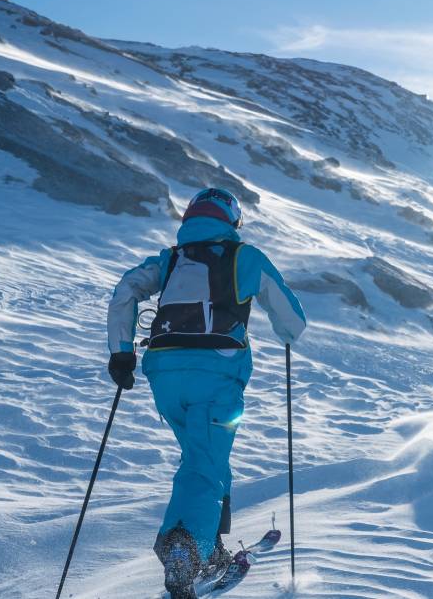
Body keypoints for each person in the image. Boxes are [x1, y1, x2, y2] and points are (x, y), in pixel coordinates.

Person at [105, 187, 306, 597]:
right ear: (232, 221)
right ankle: (184, 551)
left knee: (204, 457)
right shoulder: (243, 257)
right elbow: (293, 321)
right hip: (215, 372)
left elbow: (127, 288)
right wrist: (284, 331)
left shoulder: (171, 260)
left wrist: (121, 352)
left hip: (163, 374)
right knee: (205, 463)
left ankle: (206, 544)